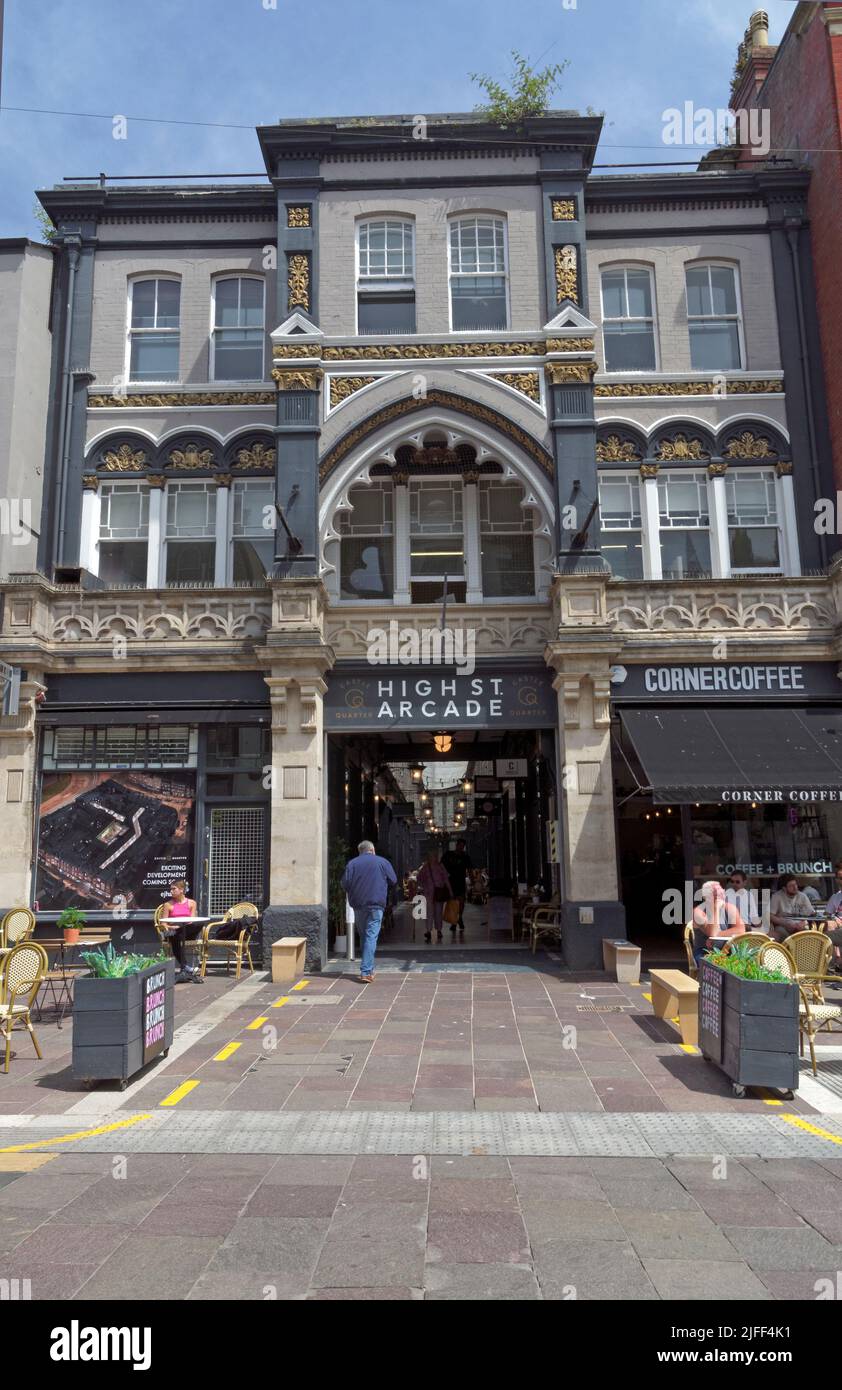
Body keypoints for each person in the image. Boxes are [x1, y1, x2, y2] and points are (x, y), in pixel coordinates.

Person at [341, 839, 397, 984]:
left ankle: (369, 969)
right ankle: (366, 971)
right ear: (372, 850)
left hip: (358, 905)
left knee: (364, 936)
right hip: (376, 904)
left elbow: (345, 884)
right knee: (370, 936)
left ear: (360, 851)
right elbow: (393, 880)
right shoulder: (382, 862)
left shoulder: (352, 864)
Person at [691, 880, 746, 964]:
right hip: (705, 951)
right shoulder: (698, 912)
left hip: (728, 951)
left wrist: (718, 935)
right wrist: (716, 908)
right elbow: (713, 933)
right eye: (715, 892)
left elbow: (741, 930)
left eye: (721, 891)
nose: (720, 894)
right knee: (715, 966)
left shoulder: (730, 908)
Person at [163, 879, 203, 984]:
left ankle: (185, 967)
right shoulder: (168, 905)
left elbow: (192, 921)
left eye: (174, 889)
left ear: (181, 890)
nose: (171, 891)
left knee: (199, 923)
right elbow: (163, 923)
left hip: (188, 932)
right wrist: (172, 927)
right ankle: (185, 966)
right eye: (170, 889)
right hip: (174, 933)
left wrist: (180, 927)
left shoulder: (192, 903)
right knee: (174, 936)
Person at [417, 849, 453, 943]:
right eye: (432, 856)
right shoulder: (429, 867)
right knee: (435, 912)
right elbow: (419, 878)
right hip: (431, 893)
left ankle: (435, 930)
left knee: (434, 912)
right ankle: (432, 931)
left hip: (435, 893)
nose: (433, 858)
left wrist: (423, 886)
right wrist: (423, 886)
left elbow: (419, 879)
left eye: (434, 856)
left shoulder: (434, 866)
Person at [769, 874, 814, 942]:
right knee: (780, 934)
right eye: (791, 886)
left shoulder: (802, 896)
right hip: (783, 926)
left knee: (808, 936)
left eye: (795, 884)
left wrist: (804, 922)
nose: (795, 887)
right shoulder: (776, 896)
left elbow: (811, 914)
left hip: (800, 926)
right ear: (784, 888)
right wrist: (784, 923)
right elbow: (770, 916)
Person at [441, 838, 472, 934]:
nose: (461, 848)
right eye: (460, 846)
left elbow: (469, 868)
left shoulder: (465, 856)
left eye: (463, 846)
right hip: (451, 882)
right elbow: (441, 866)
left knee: (461, 902)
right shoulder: (448, 855)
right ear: (457, 845)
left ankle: (460, 918)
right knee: (453, 902)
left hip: (460, 881)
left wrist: (472, 880)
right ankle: (454, 922)